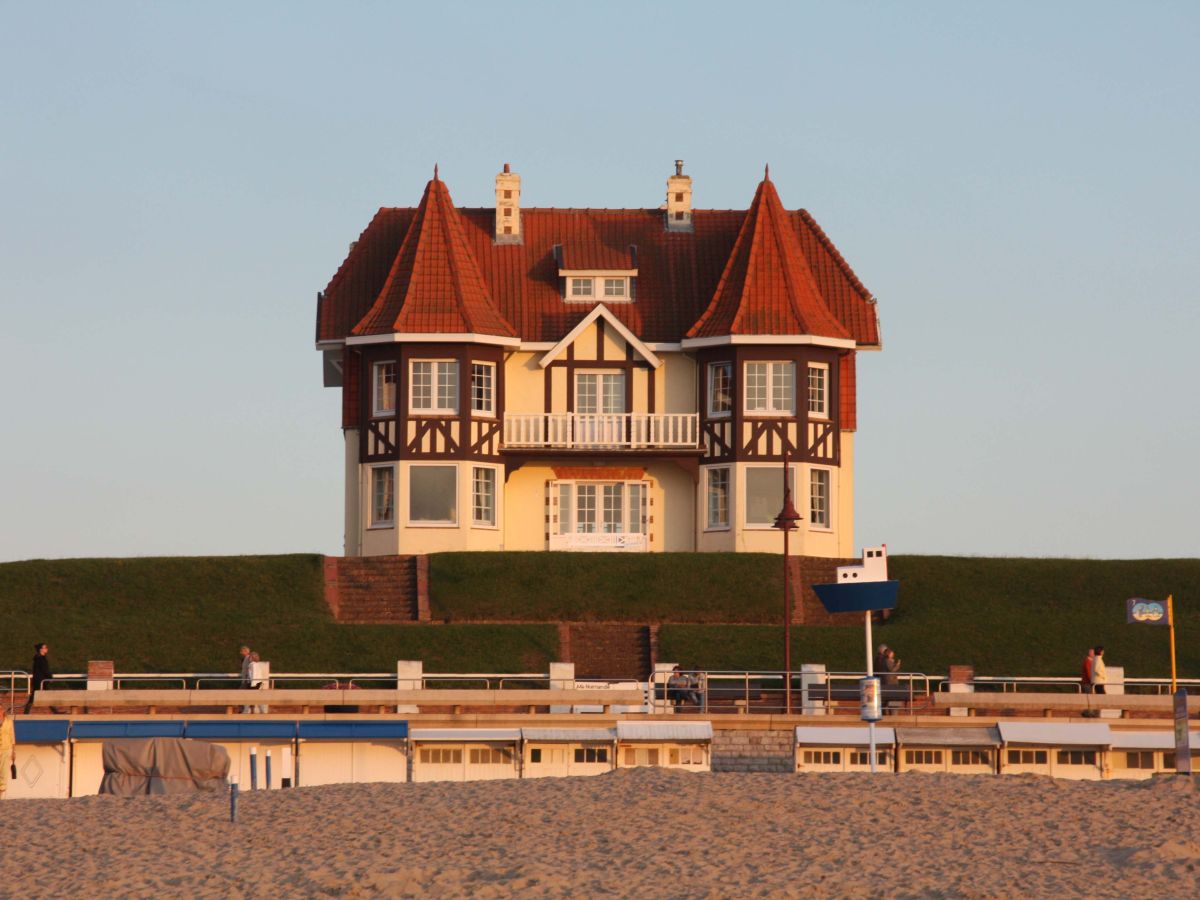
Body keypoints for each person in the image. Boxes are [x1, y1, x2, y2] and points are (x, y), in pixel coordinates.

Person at [24, 643, 52, 714]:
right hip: (39, 681)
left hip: (40, 680)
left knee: (46, 695)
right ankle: (26, 712)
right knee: (33, 696)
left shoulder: (40, 658)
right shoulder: (40, 659)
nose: (46, 649)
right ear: (41, 649)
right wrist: (49, 676)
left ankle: (55, 710)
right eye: (45, 648)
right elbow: (44, 669)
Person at [0, 705, 16, 800]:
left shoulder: (9, 722)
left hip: (6, 749)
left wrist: (14, 751)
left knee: (3, 773)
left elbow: (12, 736)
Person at [239, 645, 253, 714]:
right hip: (245, 679)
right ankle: (245, 709)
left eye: (241, 651)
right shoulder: (246, 658)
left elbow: (249, 669)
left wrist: (247, 679)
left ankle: (245, 710)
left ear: (245, 651)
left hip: (247, 680)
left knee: (242, 694)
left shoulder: (248, 658)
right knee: (244, 694)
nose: (240, 653)